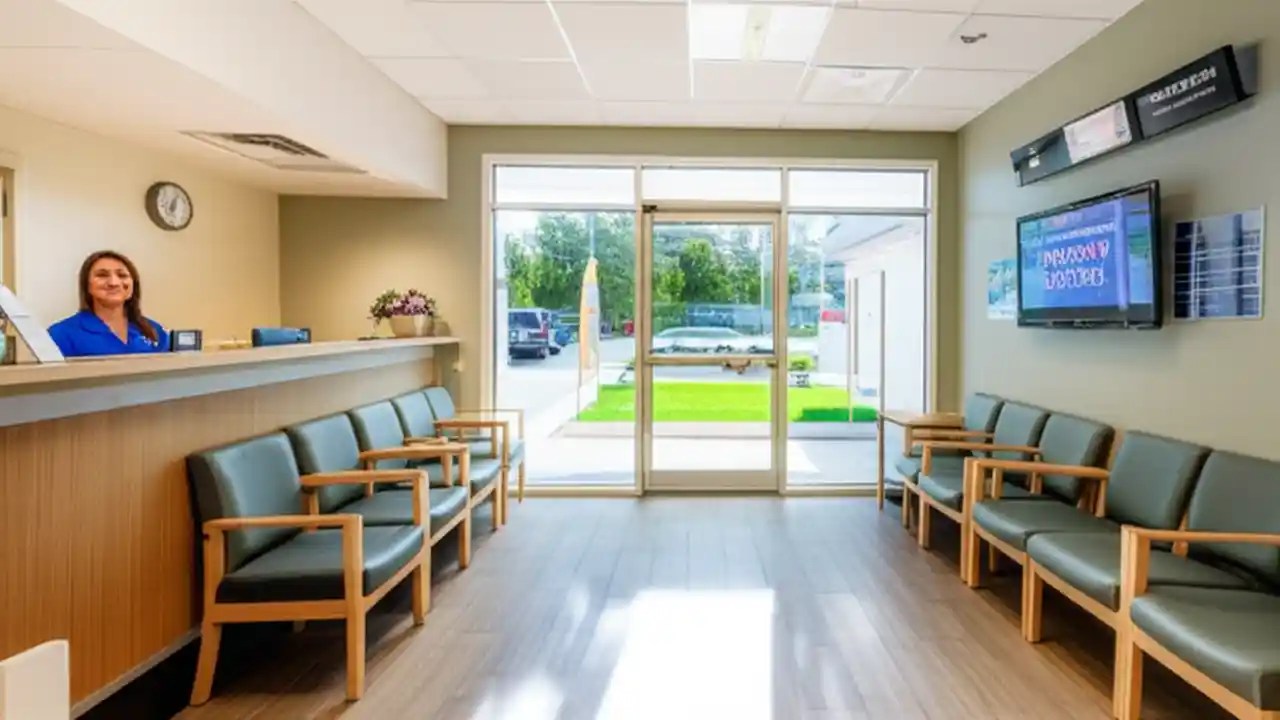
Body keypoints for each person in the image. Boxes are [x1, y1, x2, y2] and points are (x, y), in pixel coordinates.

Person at [47, 250, 169, 357]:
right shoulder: (61, 334)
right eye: (102, 275)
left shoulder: (155, 331)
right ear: (87, 285)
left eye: (122, 275)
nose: (113, 282)